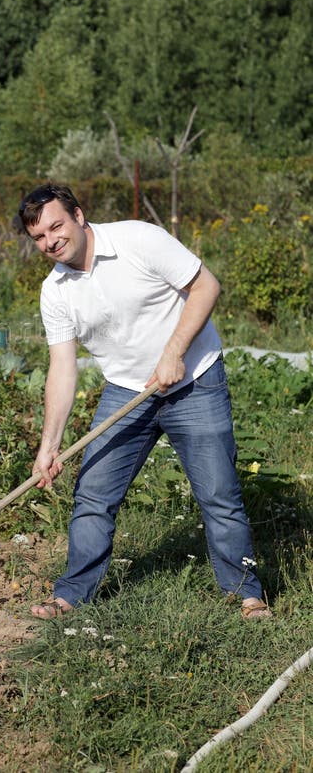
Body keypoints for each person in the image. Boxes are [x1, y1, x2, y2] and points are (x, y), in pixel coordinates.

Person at [18, 182, 271, 621]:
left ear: (79, 216)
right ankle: (72, 595)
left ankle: (246, 596)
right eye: (38, 237)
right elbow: (62, 368)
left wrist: (174, 352)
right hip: (127, 394)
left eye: (56, 227)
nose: (50, 241)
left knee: (217, 494)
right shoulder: (56, 291)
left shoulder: (138, 239)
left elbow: (206, 286)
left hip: (193, 380)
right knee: (93, 493)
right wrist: (50, 445)